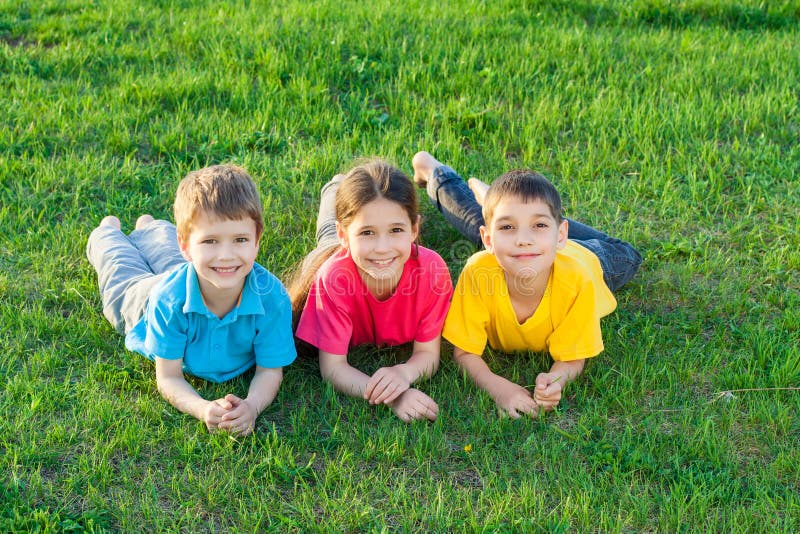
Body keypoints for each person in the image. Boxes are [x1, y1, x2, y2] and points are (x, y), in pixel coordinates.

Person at [412, 151, 642, 418]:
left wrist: (557, 379)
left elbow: (572, 357)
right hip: (521, 254)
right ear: (490, 240)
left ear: (561, 235)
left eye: (539, 224)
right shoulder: (479, 271)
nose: (523, 238)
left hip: (593, 258)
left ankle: (517, 211)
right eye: (508, 227)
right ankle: (435, 172)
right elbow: (464, 353)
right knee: (488, 226)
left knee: (628, 254)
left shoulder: (578, 279)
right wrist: (498, 388)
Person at [86, 164, 296, 436]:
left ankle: (149, 227)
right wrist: (202, 407)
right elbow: (169, 376)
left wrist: (252, 406)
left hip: (193, 273)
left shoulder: (273, 299)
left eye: (240, 239)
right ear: (186, 244)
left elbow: (270, 371)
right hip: (143, 300)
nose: (226, 255)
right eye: (210, 241)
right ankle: (107, 231)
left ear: (257, 240)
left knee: (168, 257)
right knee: (120, 267)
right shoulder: (167, 301)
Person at [289, 160, 453, 422]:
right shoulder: (332, 278)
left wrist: (403, 374)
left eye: (396, 230)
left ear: (415, 229)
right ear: (347, 235)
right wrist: (392, 396)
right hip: (331, 255)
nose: (382, 247)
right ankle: (334, 187)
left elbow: (428, 354)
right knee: (326, 235)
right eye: (367, 232)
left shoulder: (432, 271)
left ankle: (348, 202)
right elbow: (333, 368)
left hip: (355, 253)